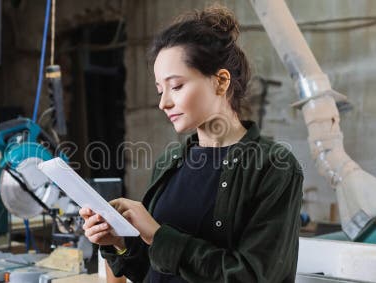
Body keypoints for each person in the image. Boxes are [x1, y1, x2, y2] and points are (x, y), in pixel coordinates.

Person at [80, 5, 304, 282]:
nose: (163, 103)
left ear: (221, 81)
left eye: (176, 86)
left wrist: (158, 235)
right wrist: (120, 241)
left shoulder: (272, 167)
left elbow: (253, 276)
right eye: (160, 90)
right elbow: (153, 270)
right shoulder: (170, 161)